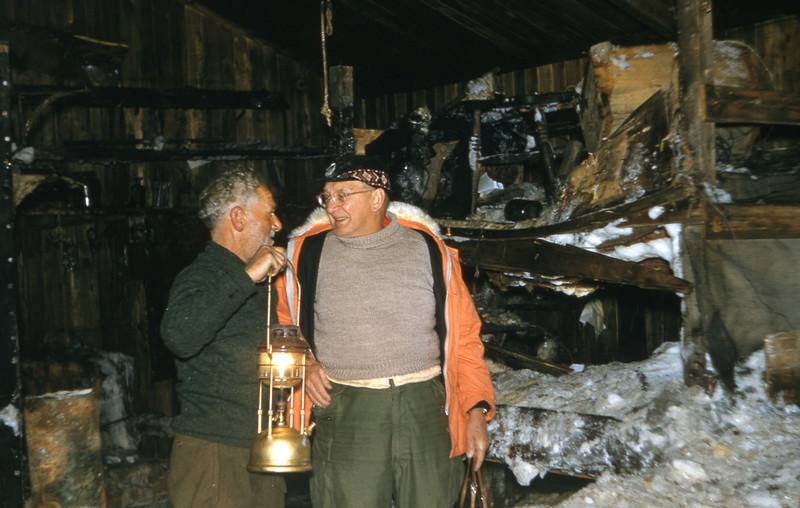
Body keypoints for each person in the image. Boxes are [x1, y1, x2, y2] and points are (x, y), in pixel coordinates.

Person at [275, 154, 495, 508]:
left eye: (343, 195)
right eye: (326, 197)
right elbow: (282, 328)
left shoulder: (430, 250)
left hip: (423, 407)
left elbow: (466, 338)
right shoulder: (305, 253)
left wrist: (474, 410)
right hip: (346, 408)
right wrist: (304, 365)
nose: (332, 206)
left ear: (377, 198)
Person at [161, 165, 288, 508]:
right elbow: (179, 336)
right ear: (238, 217)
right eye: (270, 213)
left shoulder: (260, 281)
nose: (277, 225)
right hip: (213, 451)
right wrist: (248, 275)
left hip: (260, 447)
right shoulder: (201, 276)